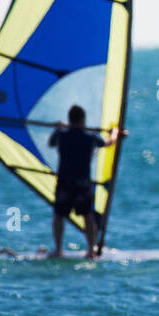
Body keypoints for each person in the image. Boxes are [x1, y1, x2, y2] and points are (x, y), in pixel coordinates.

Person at [48, 106, 124, 258]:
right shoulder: (90, 138)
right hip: (82, 183)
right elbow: (108, 143)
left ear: (70, 119)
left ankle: (58, 250)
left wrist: (57, 128)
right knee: (87, 215)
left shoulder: (62, 136)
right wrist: (115, 133)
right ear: (83, 120)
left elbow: (51, 143)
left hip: (64, 182)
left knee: (59, 215)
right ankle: (90, 250)